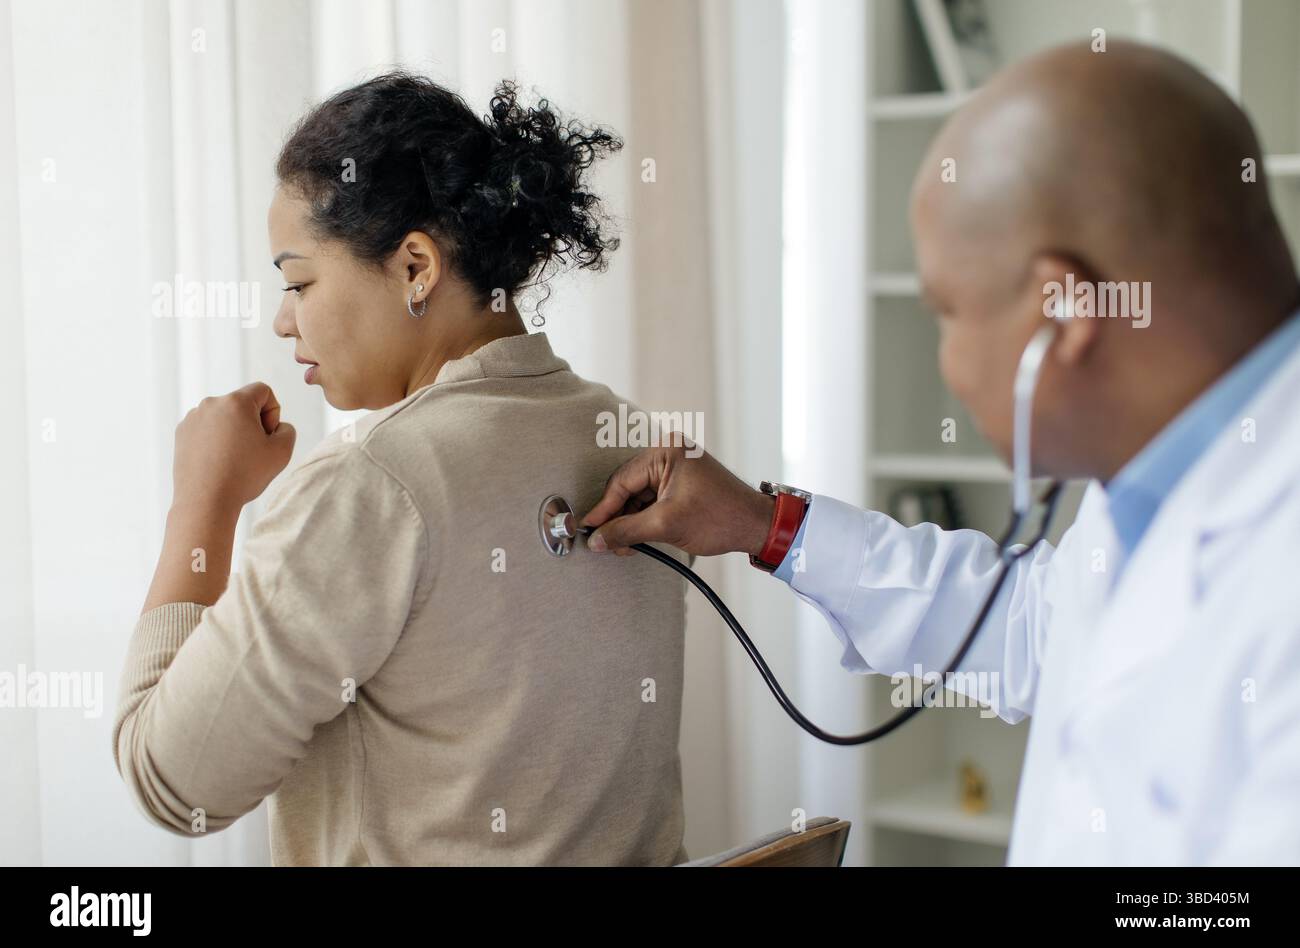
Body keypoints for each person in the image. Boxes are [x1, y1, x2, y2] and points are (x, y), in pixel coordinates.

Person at [582, 41, 1300, 865]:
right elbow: (1031, 630)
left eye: (947, 313)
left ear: (1063, 312)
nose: (945, 364)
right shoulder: (1149, 478)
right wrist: (761, 522)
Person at [113, 73, 689, 866]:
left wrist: (203, 501)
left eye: (298, 282)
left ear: (416, 265)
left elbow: (170, 779)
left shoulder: (371, 487)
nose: (284, 320)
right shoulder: (636, 446)